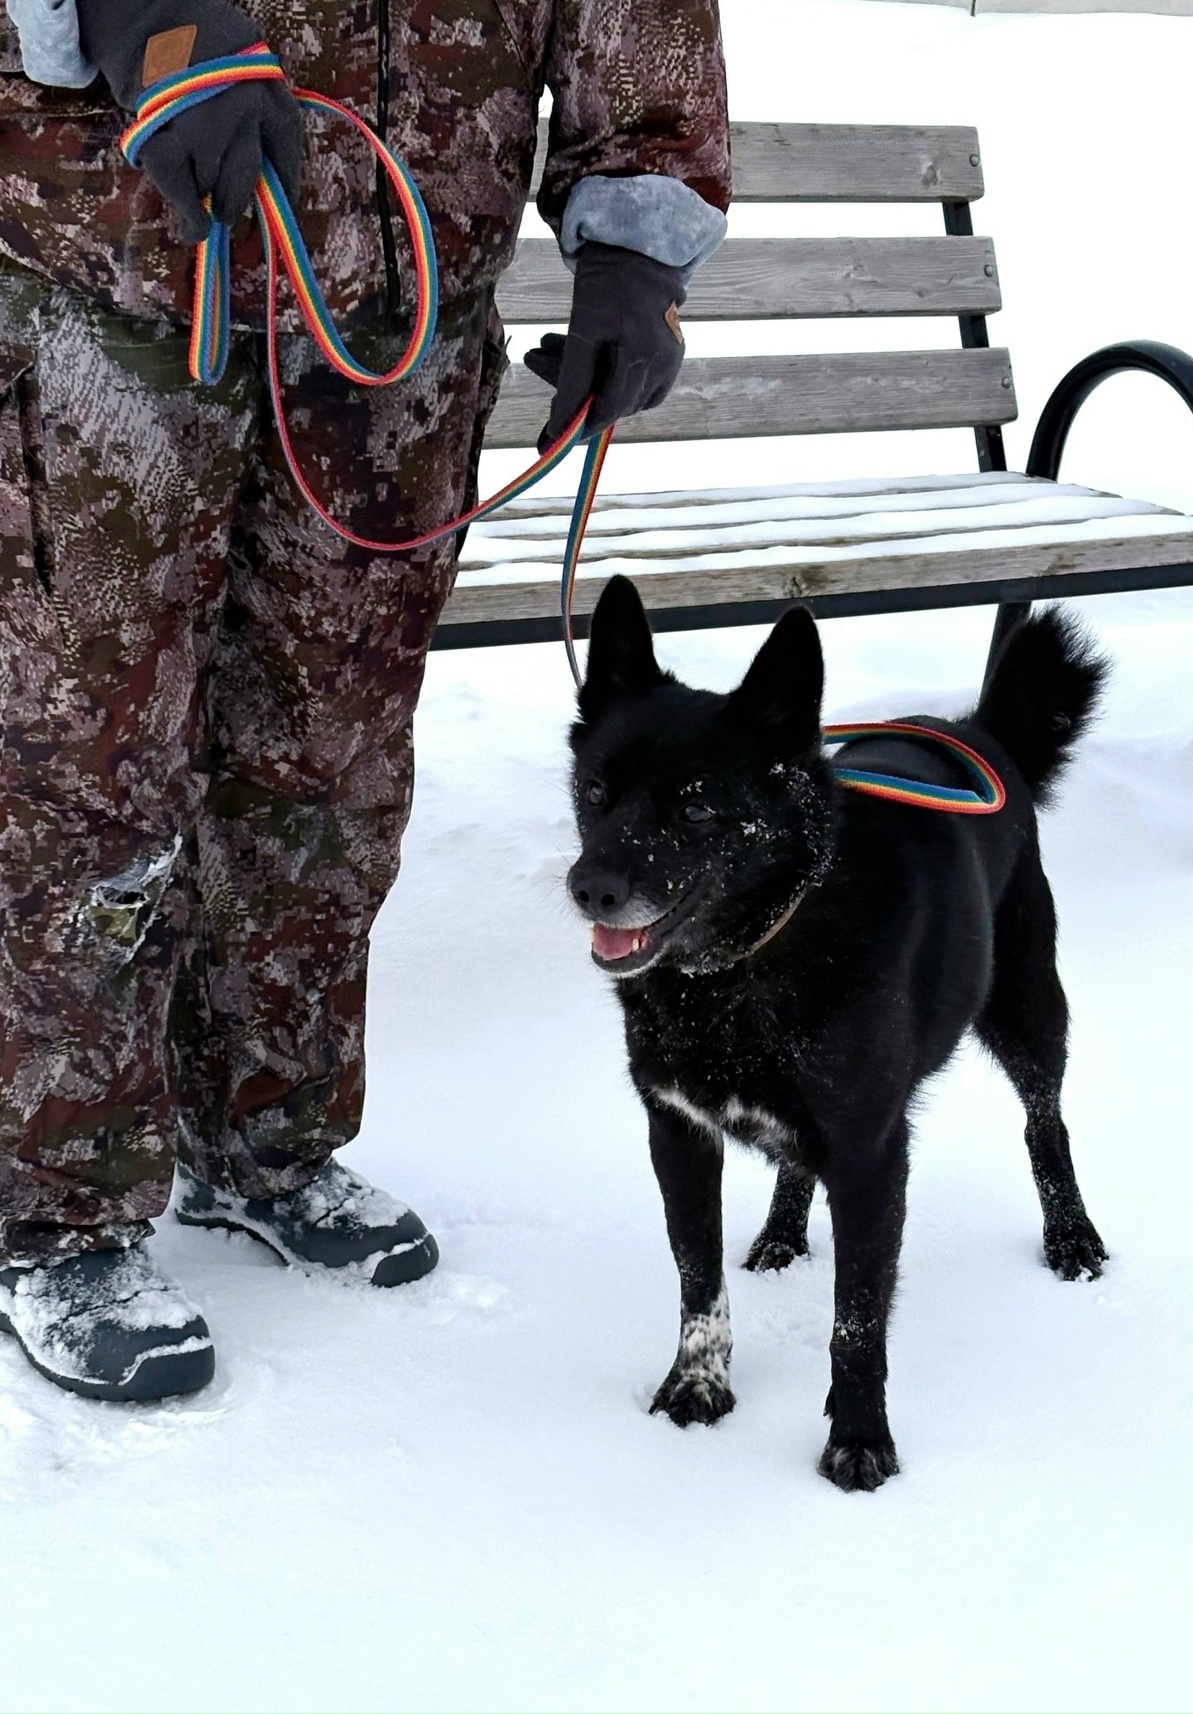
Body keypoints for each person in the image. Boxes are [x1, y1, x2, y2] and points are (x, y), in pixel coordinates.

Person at [0, 0, 729, 1401]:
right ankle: (57, 1210)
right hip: (125, 268)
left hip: (403, 319)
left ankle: (264, 1140)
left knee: (329, 766)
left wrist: (636, 232)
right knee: (84, 778)